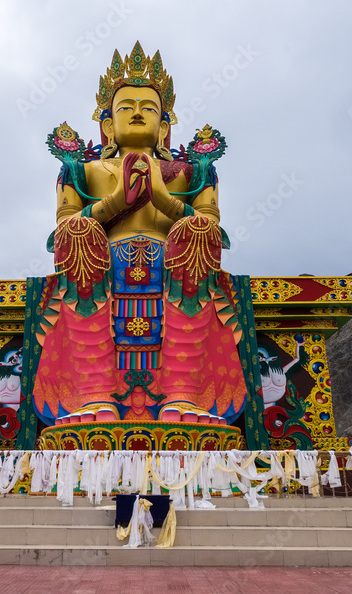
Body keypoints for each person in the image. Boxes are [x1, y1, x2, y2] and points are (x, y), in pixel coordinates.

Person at [31, 42, 247, 427]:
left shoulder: (191, 170)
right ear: (107, 124)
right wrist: (115, 202)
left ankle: (182, 393)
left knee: (197, 229)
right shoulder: (85, 170)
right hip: (99, 265)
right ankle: (95, 393)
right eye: (125, 107)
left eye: (147, 108)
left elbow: (212, 225)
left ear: (164, 125)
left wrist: (165, 201)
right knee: (78, 230)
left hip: (176, 266)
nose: (135, 113)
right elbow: (63, 228)